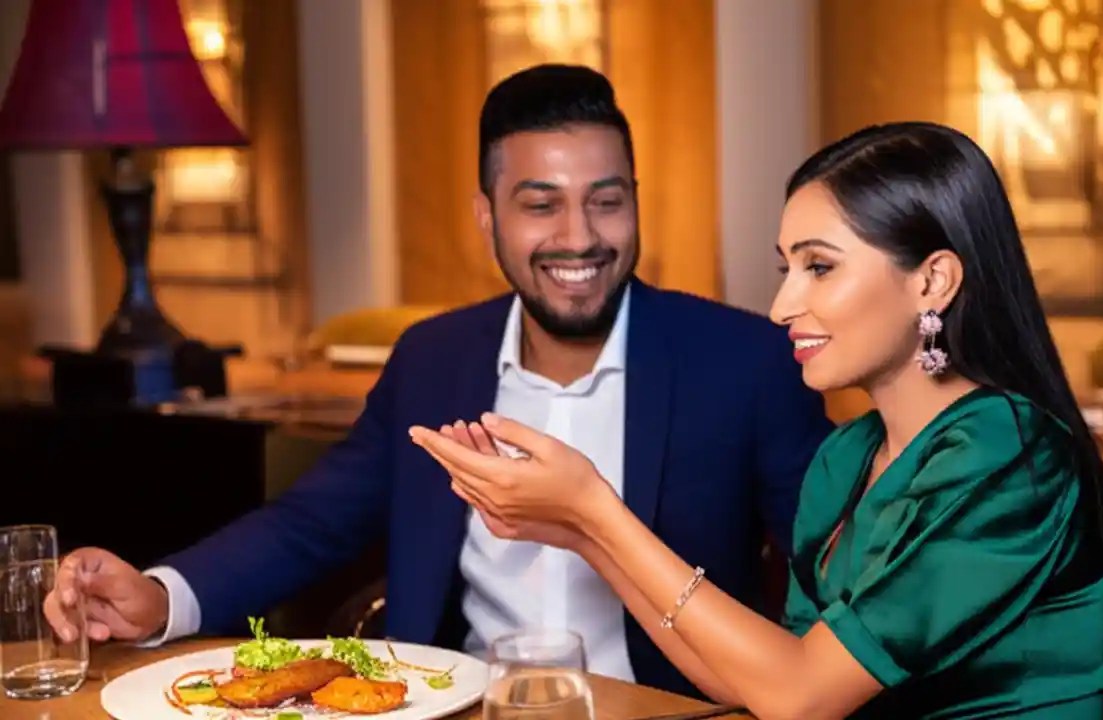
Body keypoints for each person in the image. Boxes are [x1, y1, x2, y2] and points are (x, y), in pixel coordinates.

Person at [43, 64, 833, 698]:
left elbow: (832, 578)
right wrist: (158, 595)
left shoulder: (743, 361)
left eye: (607, 201)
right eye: (540, 205)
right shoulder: (433, 357)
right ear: (488, 217)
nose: (579, 237)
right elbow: (310, 525)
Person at [411, 121, 1103, 718]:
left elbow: (803, 697)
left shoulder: (1007, 454)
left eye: (820, 267)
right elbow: (759, 684)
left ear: (933, 280)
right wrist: (571, 527)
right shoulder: (848, 459)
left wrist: (595, 509)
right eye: (785, 268)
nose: (781, 307)